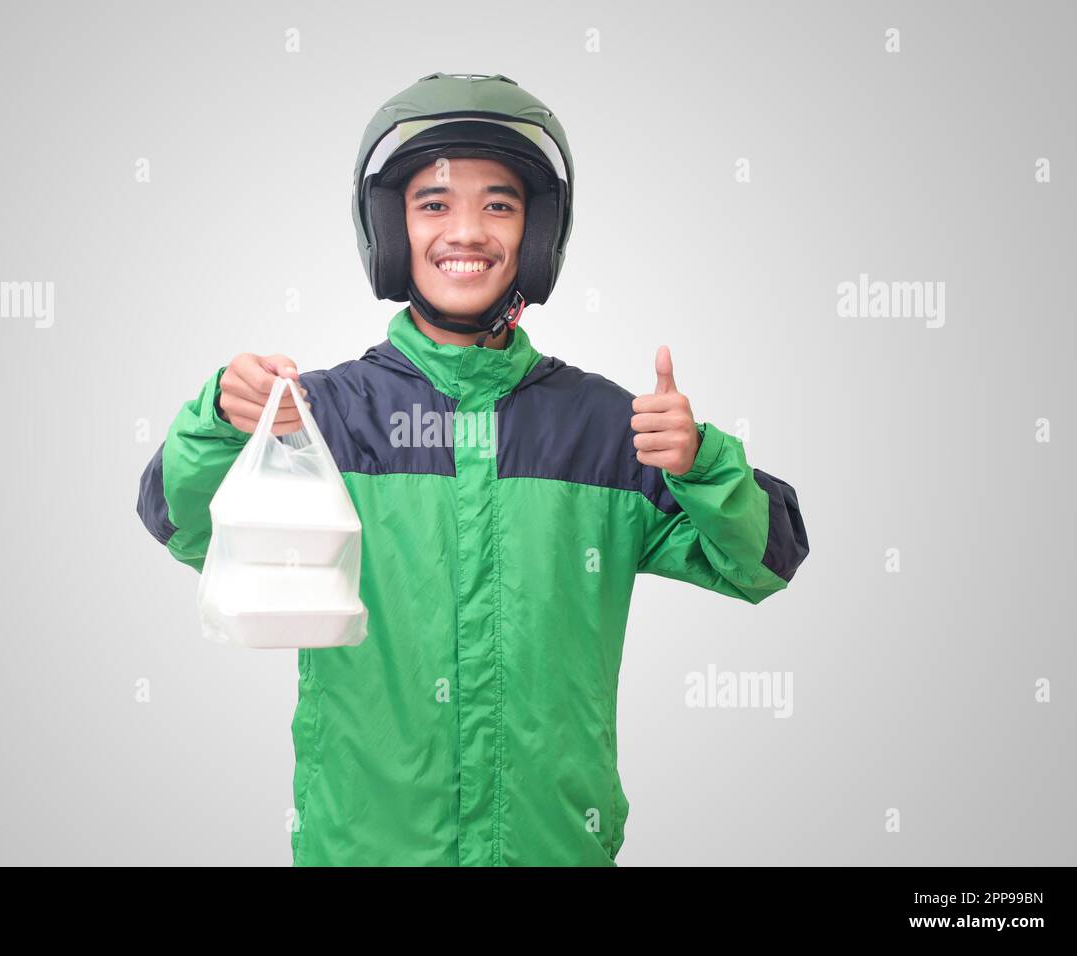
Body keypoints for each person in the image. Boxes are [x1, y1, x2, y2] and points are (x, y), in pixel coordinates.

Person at [137, 72, 810, 866]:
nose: (468, 232)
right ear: (391, 230)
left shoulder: (605, 430)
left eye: (499, 204)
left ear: (536, 234)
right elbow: (181, 523)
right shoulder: (323, 420)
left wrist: (703, 463)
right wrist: (220, 421)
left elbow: (764, 562)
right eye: (433, 204)